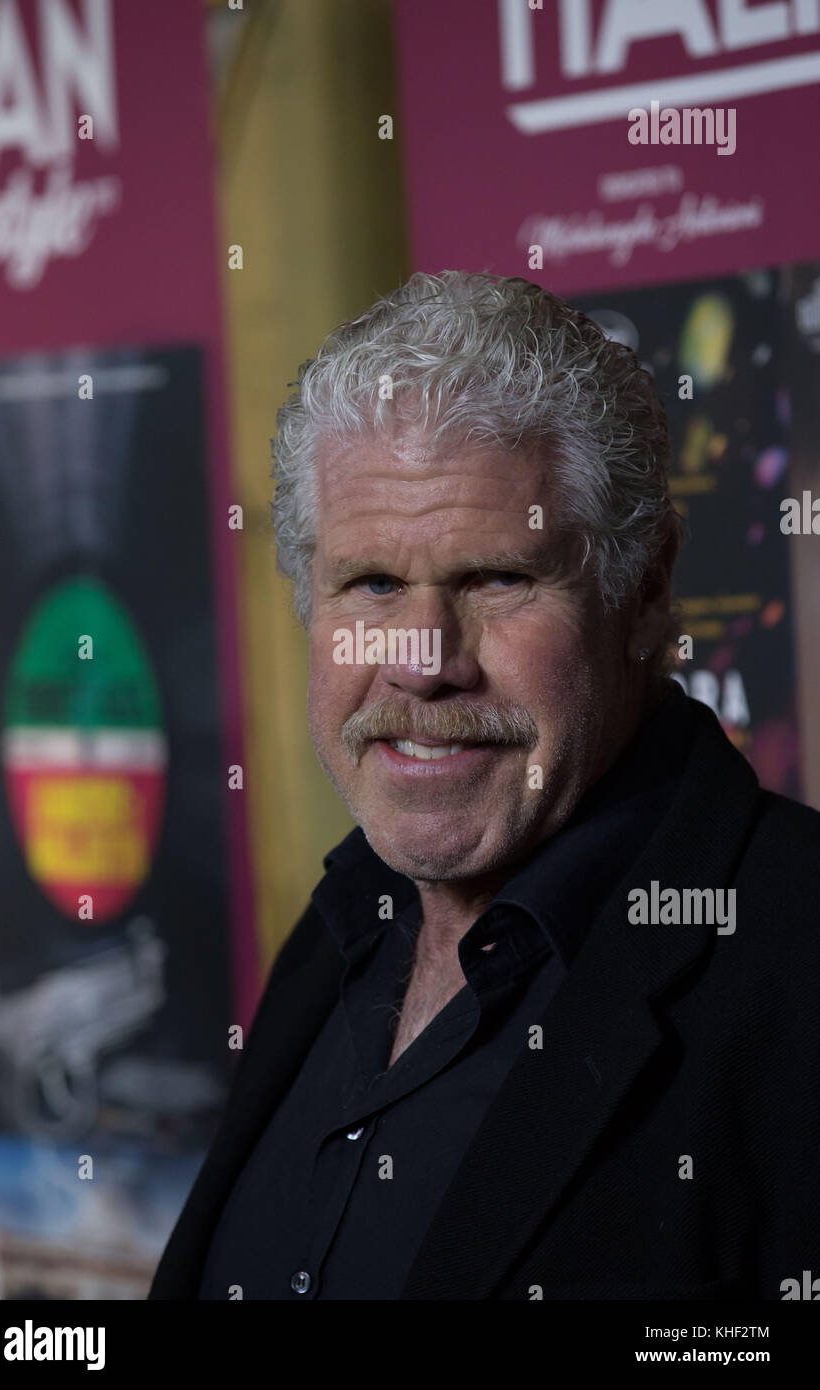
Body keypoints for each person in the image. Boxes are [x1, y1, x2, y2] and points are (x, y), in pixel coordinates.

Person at [150, 271, 820, 1301]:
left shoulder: (795, 961)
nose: (423, 662)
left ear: (644, 592)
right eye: (373, 582)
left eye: (497, 579)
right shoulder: (343, 927)